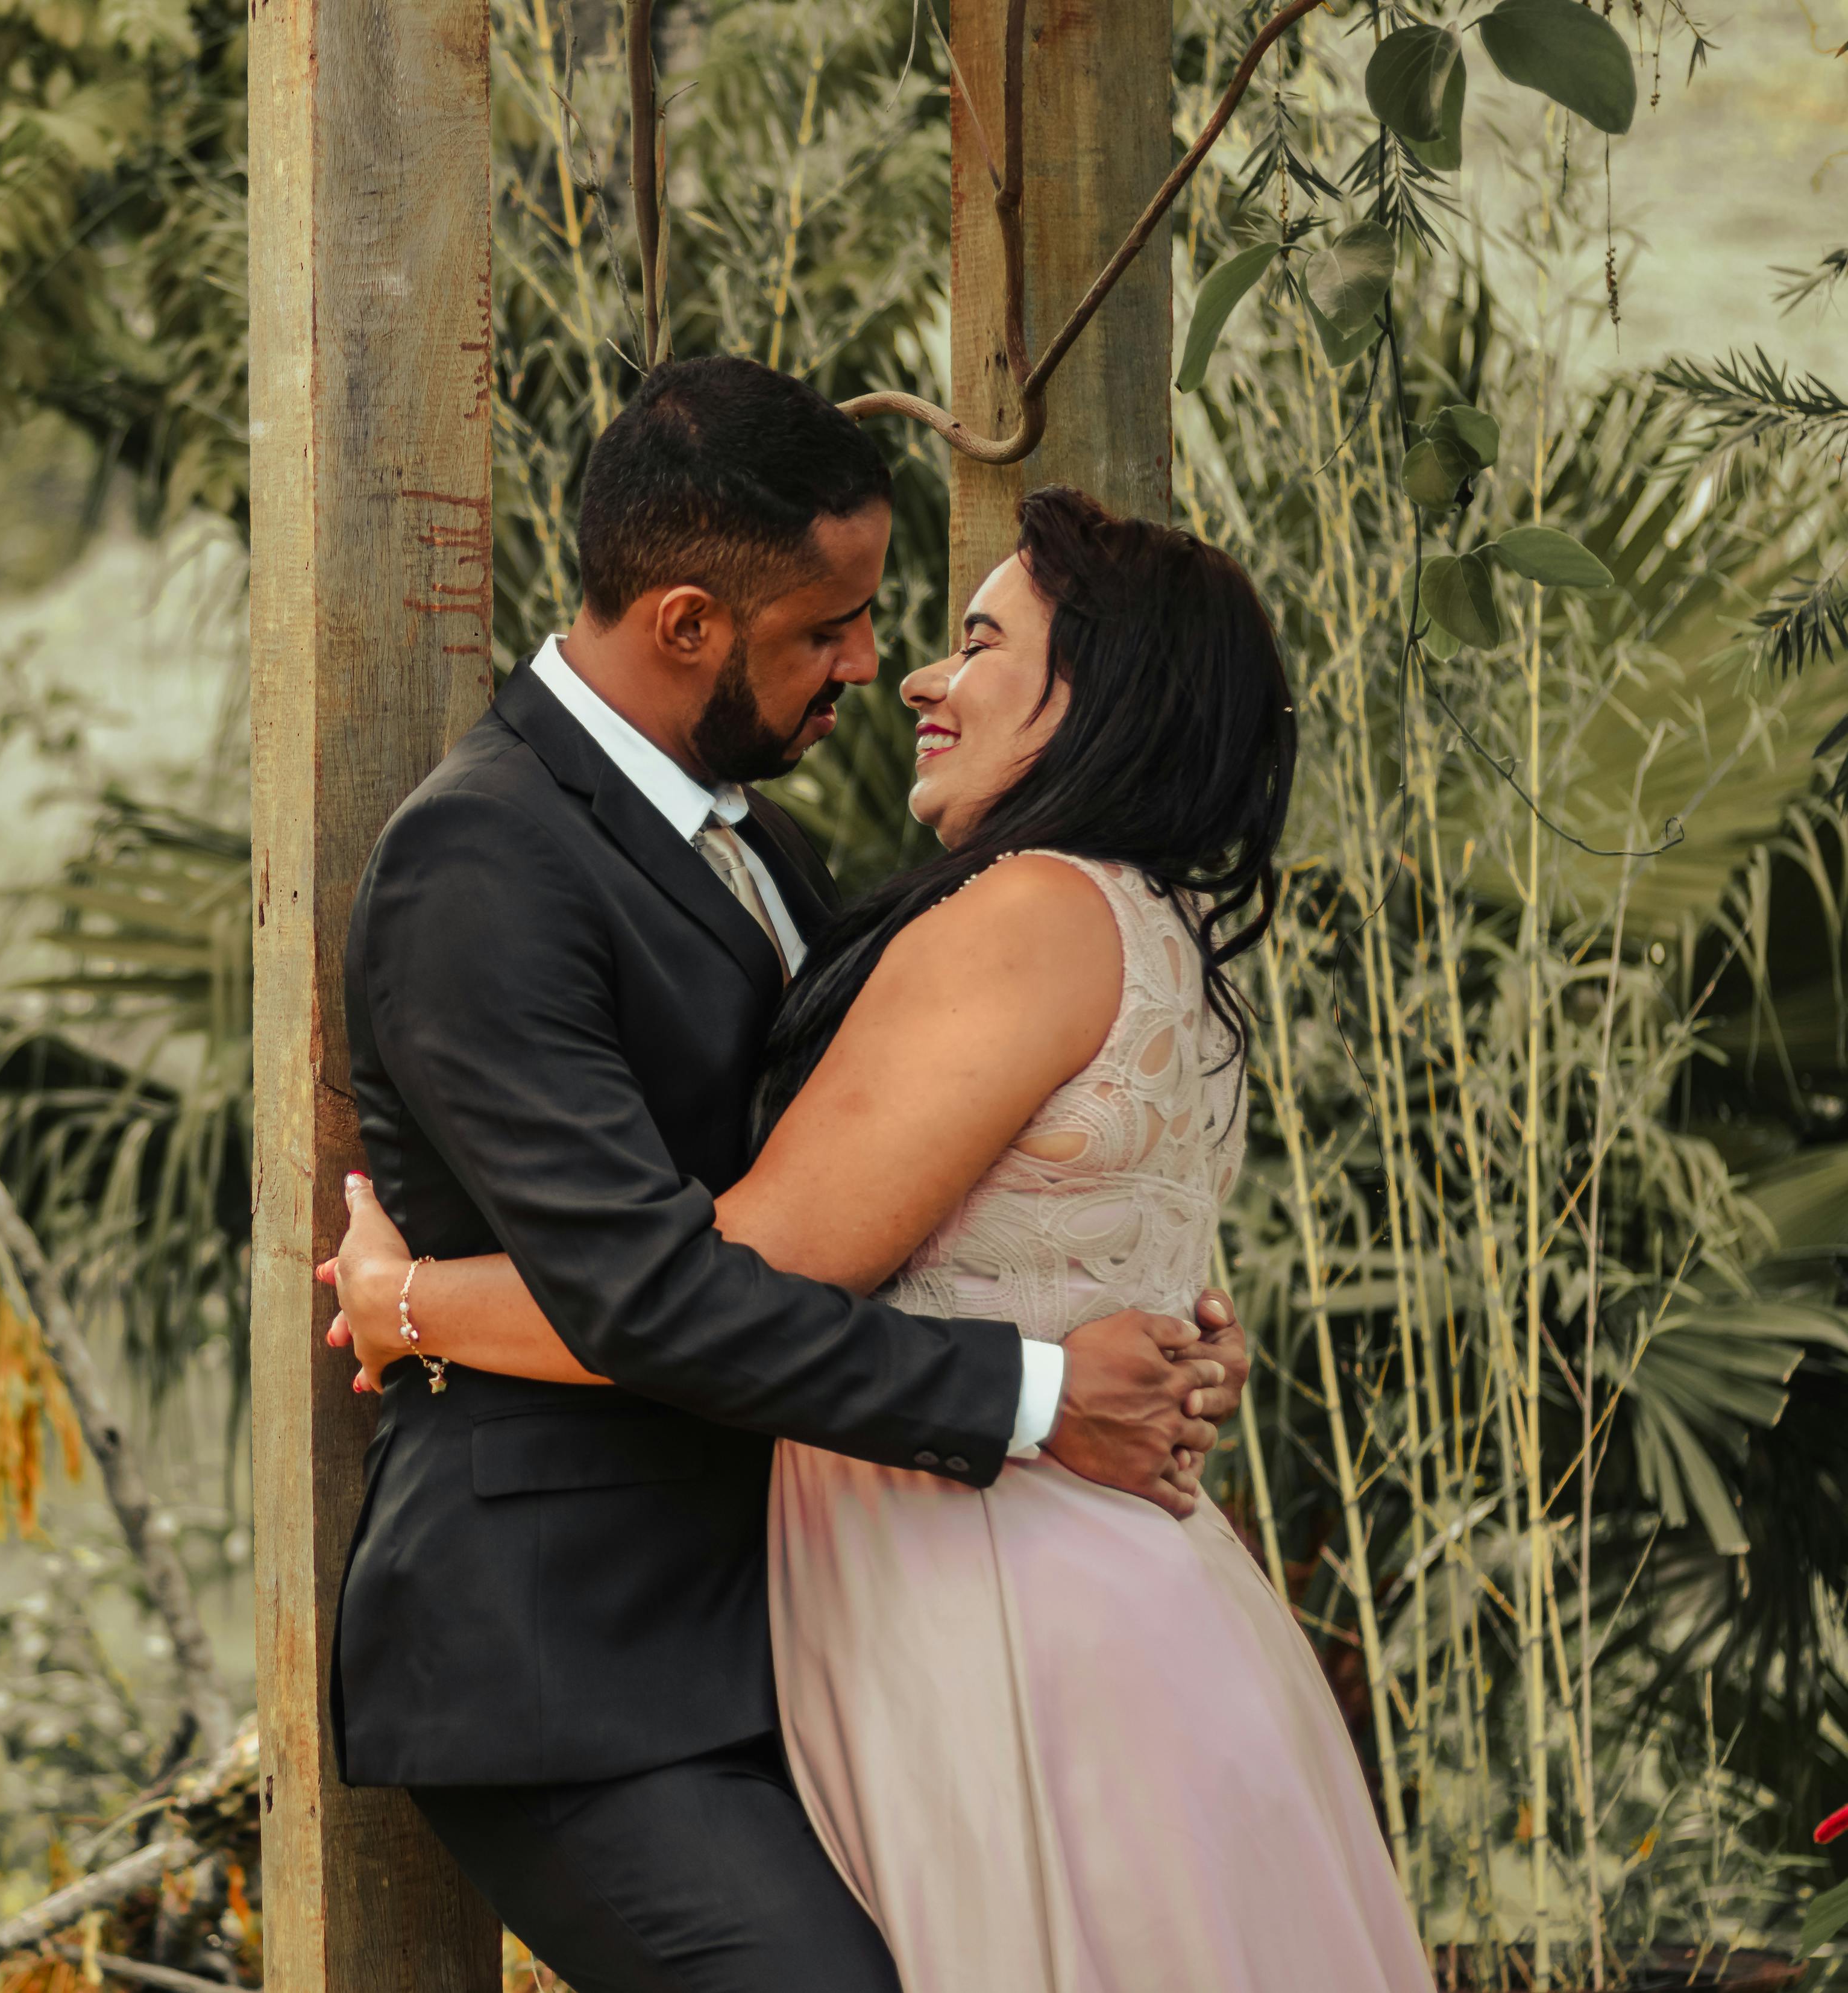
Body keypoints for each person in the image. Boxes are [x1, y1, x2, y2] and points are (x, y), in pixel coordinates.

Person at [333, 478, 1436, 1991]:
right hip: (907, 1604)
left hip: (996, 1600)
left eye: (976, 643)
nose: (909, 673)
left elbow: (728, 1276)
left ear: (1096, 698)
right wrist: (1099, 1359)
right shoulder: (1133, 919)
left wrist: (411, 1301)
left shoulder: (1010, 912)